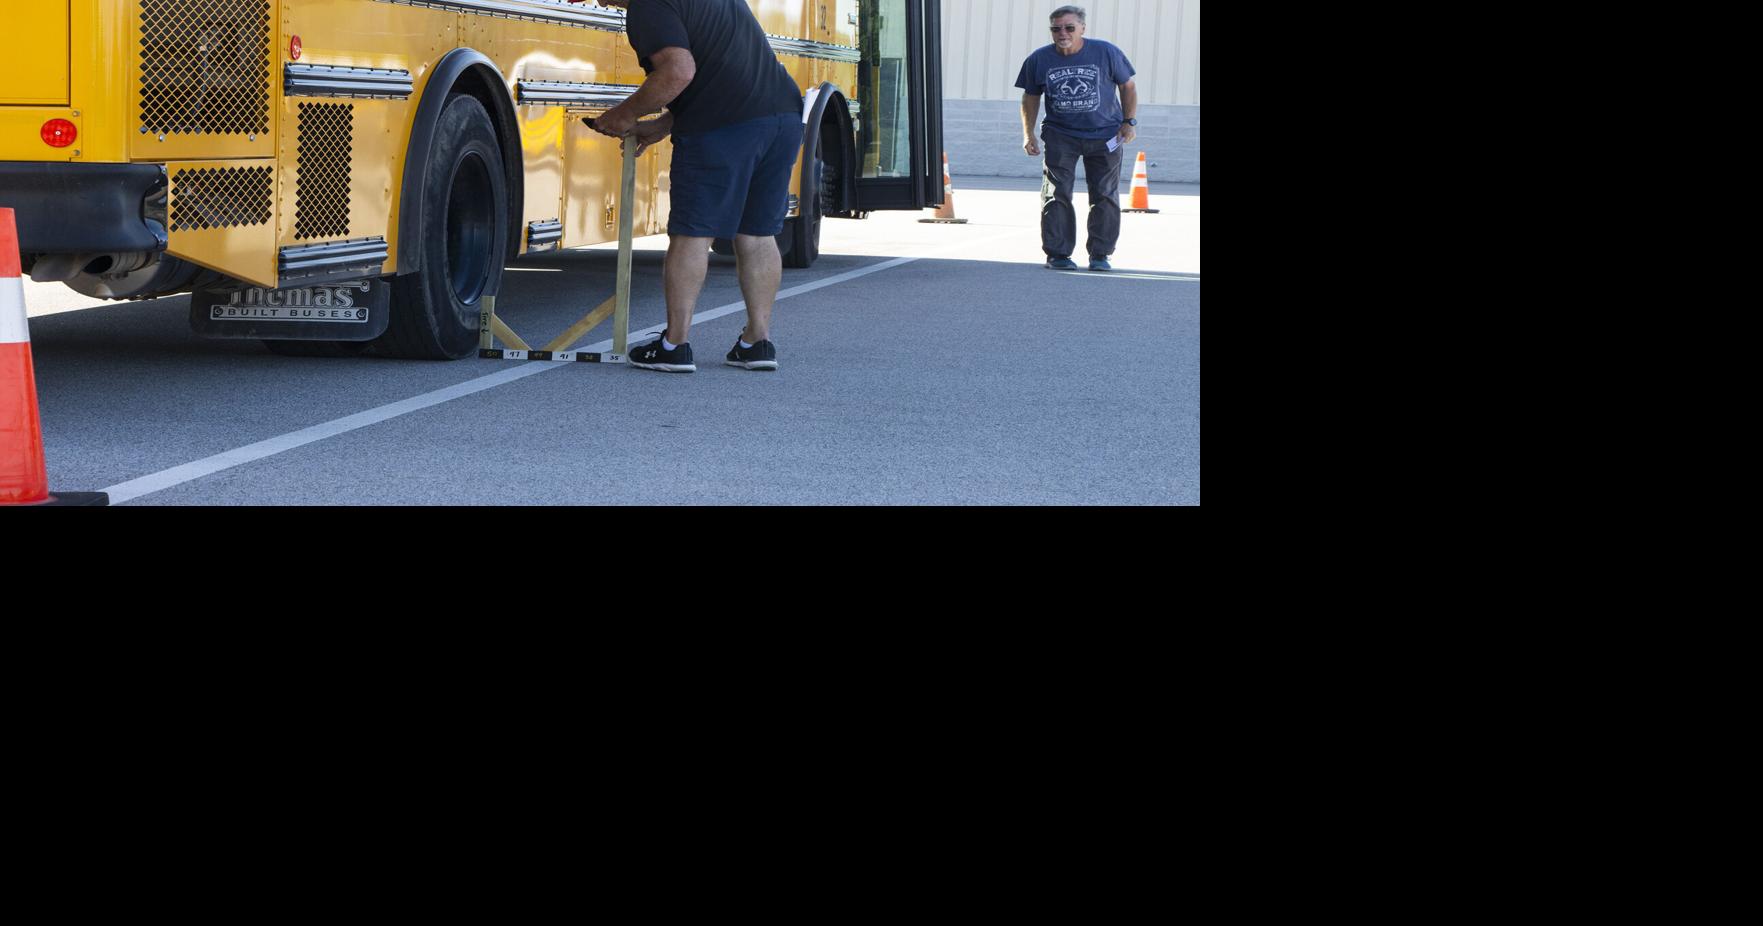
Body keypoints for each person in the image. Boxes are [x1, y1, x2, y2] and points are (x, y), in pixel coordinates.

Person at [587, 0, 802, 372]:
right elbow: (722, 71)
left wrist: (624, 114)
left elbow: (678, 72)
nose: (602, 3)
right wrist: (662, 125)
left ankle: (674, 345)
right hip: (781, 119)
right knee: (756, 233)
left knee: (693, 232)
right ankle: (757, 342)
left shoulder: (648, 7)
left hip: (724, 129)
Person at [1015, 5, 1138, 272]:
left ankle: (1100, 254)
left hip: (1105, 135)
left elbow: (1127, 85)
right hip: (1061, 135)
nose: (1063, 33)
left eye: (1069, 28)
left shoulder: (1106, 52)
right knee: (1056, 193)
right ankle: (1058, 254)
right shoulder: (1039, 59)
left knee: (1104, 194)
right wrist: (1028, 133)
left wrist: (1128, 122)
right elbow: (1030, 96)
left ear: (1083, 28)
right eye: (1056, 29)